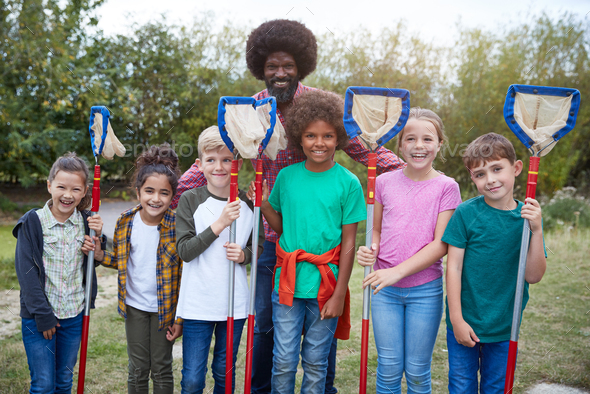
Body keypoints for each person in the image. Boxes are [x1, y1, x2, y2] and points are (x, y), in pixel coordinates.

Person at [171, 19, 404, 394]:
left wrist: (412, 172)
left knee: (320, 327)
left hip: (319, 245)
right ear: (260, 68)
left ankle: (321, 389)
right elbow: (218, 155)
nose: (280, 73)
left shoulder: (321, 105)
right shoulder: (249, 111)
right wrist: (174, 191)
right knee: (265, 325)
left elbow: (367, 148)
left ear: (301, 66)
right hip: (269, 241)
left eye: (288, 66)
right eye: (271, 67)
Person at [256, 90, 366, 394]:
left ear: (339, 138)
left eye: (328, 136)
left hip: (326, 287)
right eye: (311, 136)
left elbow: (349, 244)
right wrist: (265, 206)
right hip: (287, 284)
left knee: (317, 362)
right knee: (284, 360)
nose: (319, 143)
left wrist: (340, 292)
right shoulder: (287, 177)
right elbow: (281, 228)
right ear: (299, 138)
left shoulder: (349, 183)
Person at [356, 108, 461, 393]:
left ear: (440, 144)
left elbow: (441, 244)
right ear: (400, 144)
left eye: (428, 139)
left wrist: (396, 272)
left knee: (416, 370)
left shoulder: (447, 187)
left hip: (424, 291)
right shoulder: (383, 182)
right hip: (384, 291)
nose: (418, 146)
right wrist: (372, 250)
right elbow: (376, 230)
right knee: (388, 366)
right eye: (410, 139)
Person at [443, 133, 547, 393]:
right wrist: (456, 319)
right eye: (480, 174)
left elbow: (533, 276)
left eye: (497, 169)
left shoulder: (526, 219)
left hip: (505, 326)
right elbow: (453, 268)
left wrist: (537, 229)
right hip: (466, 321)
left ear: (517, 168)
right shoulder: (466, 213)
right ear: (472, 178)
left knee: (497, 388)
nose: (490, 180)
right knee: (461, 386)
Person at [174, 126, 265, 394]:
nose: (219, 167)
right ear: (199, 164)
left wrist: (245, 255)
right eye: (211, 160)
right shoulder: (190, 200)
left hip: (234, 304)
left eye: (227, 160)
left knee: (224, 372)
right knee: (192, 378)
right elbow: (185, 251)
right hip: (197, 304)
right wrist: (220, 224)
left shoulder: (248, 203)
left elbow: (256, 245)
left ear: (236, 163)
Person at [89, 144, 183, 393]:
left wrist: (180, 318)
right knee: (138, 368)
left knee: (162, 366)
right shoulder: (125, 221)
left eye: (164, 193)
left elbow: (186, 274)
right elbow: (122, 260)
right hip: (135, 306)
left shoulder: (178, 225)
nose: (156, 198)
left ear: (172, 196)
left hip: (166, 309)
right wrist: (100, 255)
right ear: (138, 192)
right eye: (149, 191)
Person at [14, 152, 105, 393]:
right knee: (44, 384)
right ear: (49, 185)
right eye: (61, 187)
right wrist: (43, 314)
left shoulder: (88, 222)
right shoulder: (32, 222)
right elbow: (26, 273)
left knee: (64, 382)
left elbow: (97, 260)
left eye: (75, 189)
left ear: (85, 191)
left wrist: (96, 248)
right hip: (39, 316)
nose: (67, 195)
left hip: (74, 315)